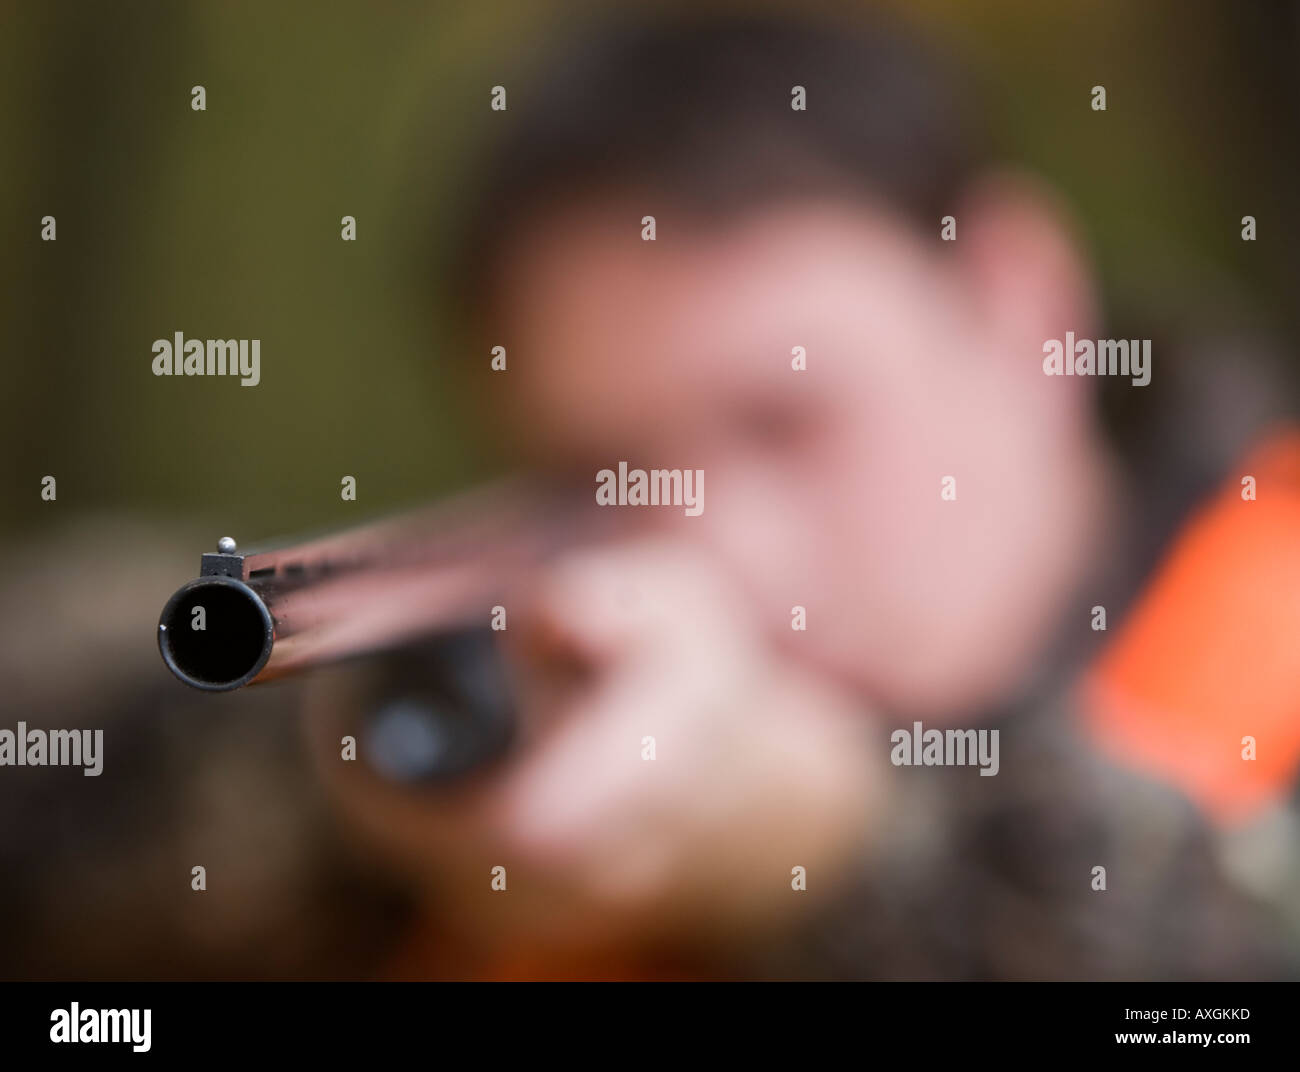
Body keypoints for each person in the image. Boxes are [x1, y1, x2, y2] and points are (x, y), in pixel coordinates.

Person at [320, 11, 1300, 979]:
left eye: (787, 422)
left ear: (1019, 300)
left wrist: (836, 849)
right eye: (600, 474)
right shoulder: (494, 807)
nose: (715, 545)